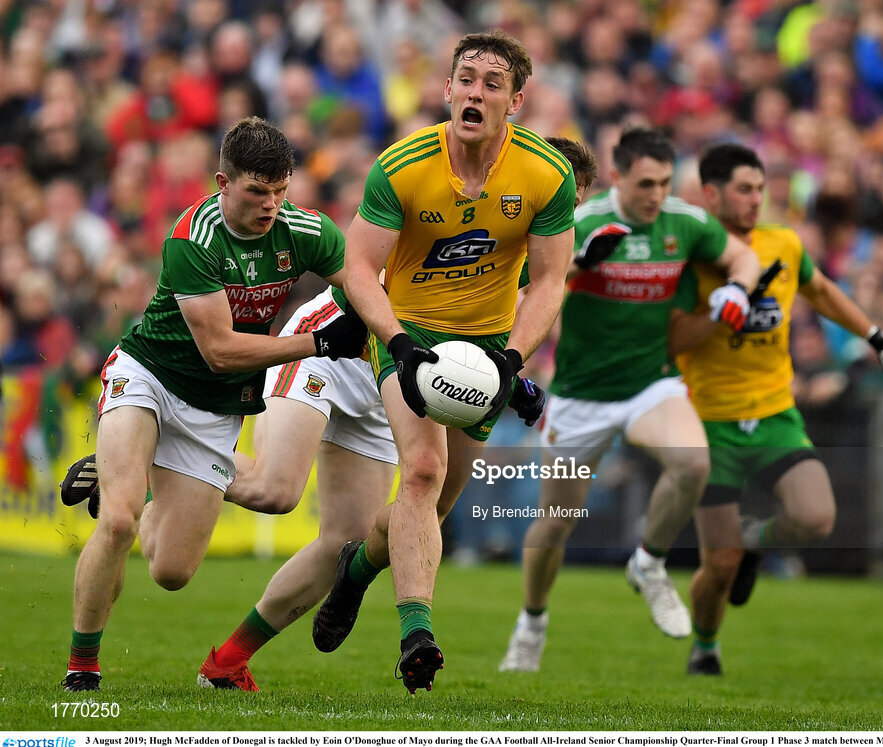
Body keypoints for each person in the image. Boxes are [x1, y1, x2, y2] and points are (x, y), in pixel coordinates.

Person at [192, 135, 597, 693]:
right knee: (273, 491)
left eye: (571, 207)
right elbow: (393, 286)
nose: (559, 216)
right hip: (339, 349)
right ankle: (163, 459)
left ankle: (229, 660)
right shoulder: (459, 205)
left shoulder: (538, 254)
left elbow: (482, 336)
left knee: (361, 533)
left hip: (407, 386)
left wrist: (515, 378)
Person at [57, 117, 369, 692]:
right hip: (151, 375)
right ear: (223, 182)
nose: (271, 204)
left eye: (280, 190)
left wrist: (398, 337)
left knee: (172, 572)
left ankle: (126, 469)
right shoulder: (192, 237)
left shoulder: (306, 230)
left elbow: (363, 283)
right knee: (120, 520)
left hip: (214, 409)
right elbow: (221, 351)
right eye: (257, 191)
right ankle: (83, 666)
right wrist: (320, 341)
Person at [312, 29, 579, 694]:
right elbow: (358, 270)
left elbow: (548, 283)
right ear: (446, 89)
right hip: (412, 334)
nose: (475, 92)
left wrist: (513, 360)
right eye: (466, 79)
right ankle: (416, 636)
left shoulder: (548, 173)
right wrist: (397, 342)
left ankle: (355, 572)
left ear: (514, 100)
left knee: (427, 505)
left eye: (491, 83)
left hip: (489, 345)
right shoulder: (402, 165)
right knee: (423, 469)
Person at [498, 127, 762, 673]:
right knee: (556, 521)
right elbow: (523, 287)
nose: (656, 195)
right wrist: (579, 263)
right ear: (617, 177)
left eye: (666, 183)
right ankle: (532, 621)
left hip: (649, 384)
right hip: (579, 396)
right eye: (646, 183)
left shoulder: (684, 222)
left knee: (693, 461)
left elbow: (743, 257)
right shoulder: (581, 222)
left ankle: (648, 562)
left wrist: (739, 287)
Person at [672, 143, 883, 676]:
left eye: (760, 188)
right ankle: (704, 645)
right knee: (717, 567)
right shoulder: (691, 255)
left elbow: (822, 290)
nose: (756, 198)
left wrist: (877, 338)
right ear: (711, 194)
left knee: (816, 518)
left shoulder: (784, 244)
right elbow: (673, 337)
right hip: (709, 424)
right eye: (744, 189)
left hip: (774, 415)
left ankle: (754, 538)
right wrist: (722, 312)